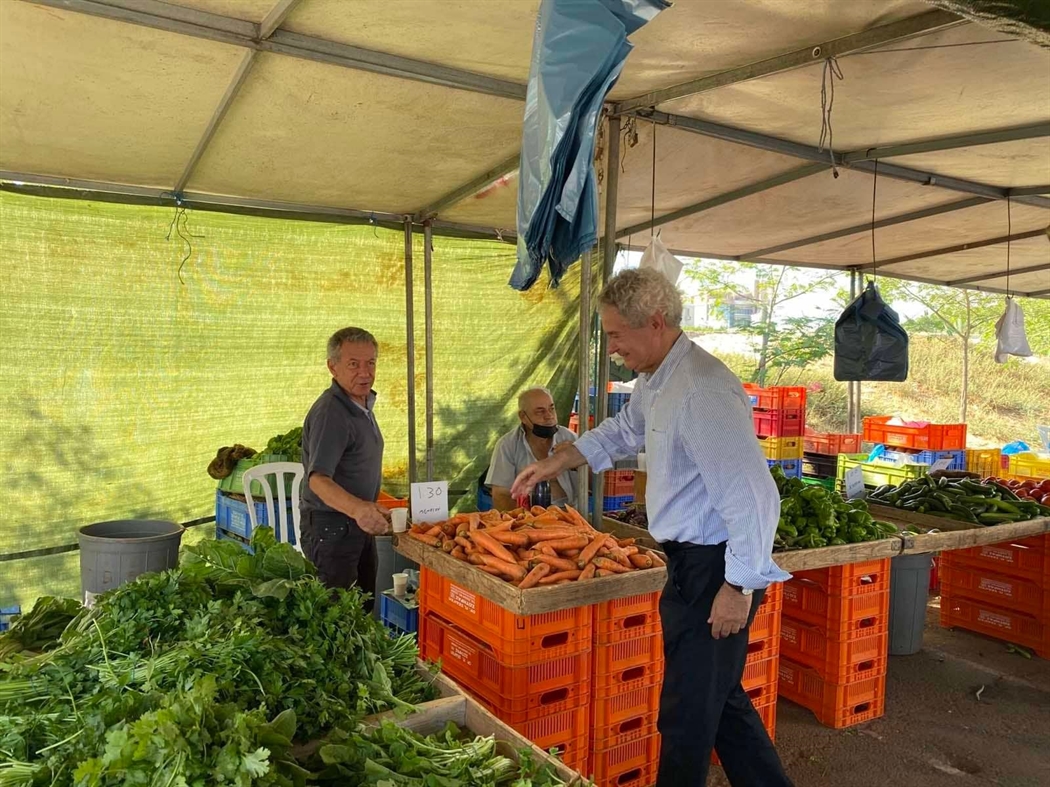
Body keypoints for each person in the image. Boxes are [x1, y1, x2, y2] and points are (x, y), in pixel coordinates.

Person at [510, 269, 793, 787]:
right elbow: (625, 429)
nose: (612, 347)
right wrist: (559, 460)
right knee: (719, 702)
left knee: (687, 714)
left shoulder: (702, 390)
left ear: (656, 323)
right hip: (687, 565)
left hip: (715, 570)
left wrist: (738, 588)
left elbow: (752, 497)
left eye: (617, 334)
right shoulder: (656, 380)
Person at [300, 327, 390, 609]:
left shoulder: (361, 404)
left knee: (361, 607)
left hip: (356, 524)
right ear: (333, 366)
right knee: (336, 614)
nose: (365, 373)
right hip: (332, 528)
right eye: (353, 364)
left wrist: (366, 509)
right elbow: (317, 479)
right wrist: (359, 509)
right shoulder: (332, 412)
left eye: (370, 363)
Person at [486, 386, 577, 511]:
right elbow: (501, 495)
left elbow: (595, 485)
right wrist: (522, 520)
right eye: (540, 411)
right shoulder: (507, 445)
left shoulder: (570, 438)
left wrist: (575, 460)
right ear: (523, 416)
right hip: (527, 515)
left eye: (551, 408)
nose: (549, 416)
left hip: (571, 513)